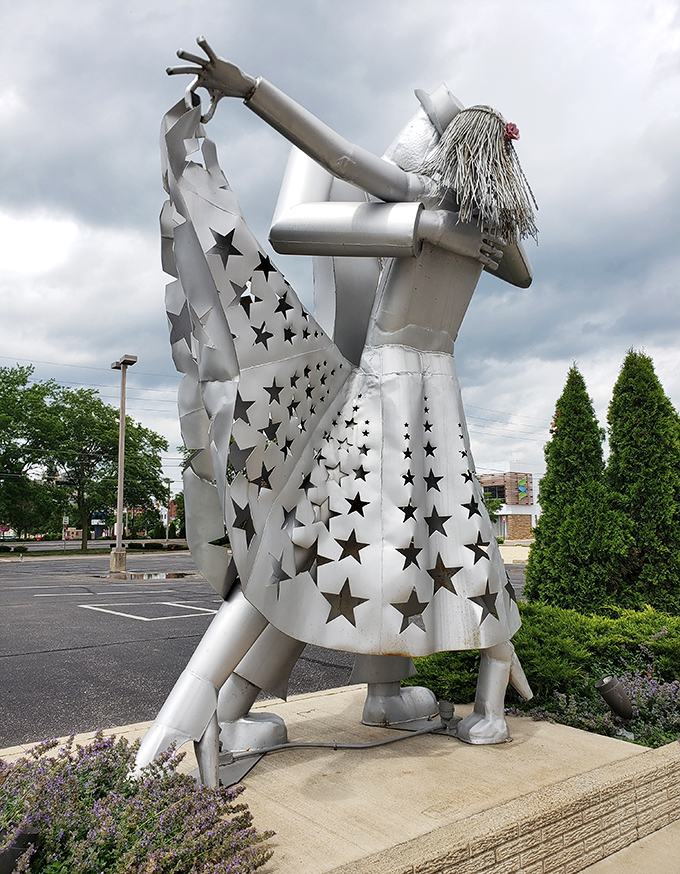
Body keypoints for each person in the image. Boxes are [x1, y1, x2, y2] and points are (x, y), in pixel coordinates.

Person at [137, 38, 535, 784]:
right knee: (453, 541)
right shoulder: (484, 231)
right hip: (437, 399)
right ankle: (476, 704)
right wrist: (449, 226)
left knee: (304, 545)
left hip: (384, 391)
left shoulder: (426, 205)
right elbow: (520, 267)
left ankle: (193, 721)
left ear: (440, 151)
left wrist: (251, 87)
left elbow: (343, 159)